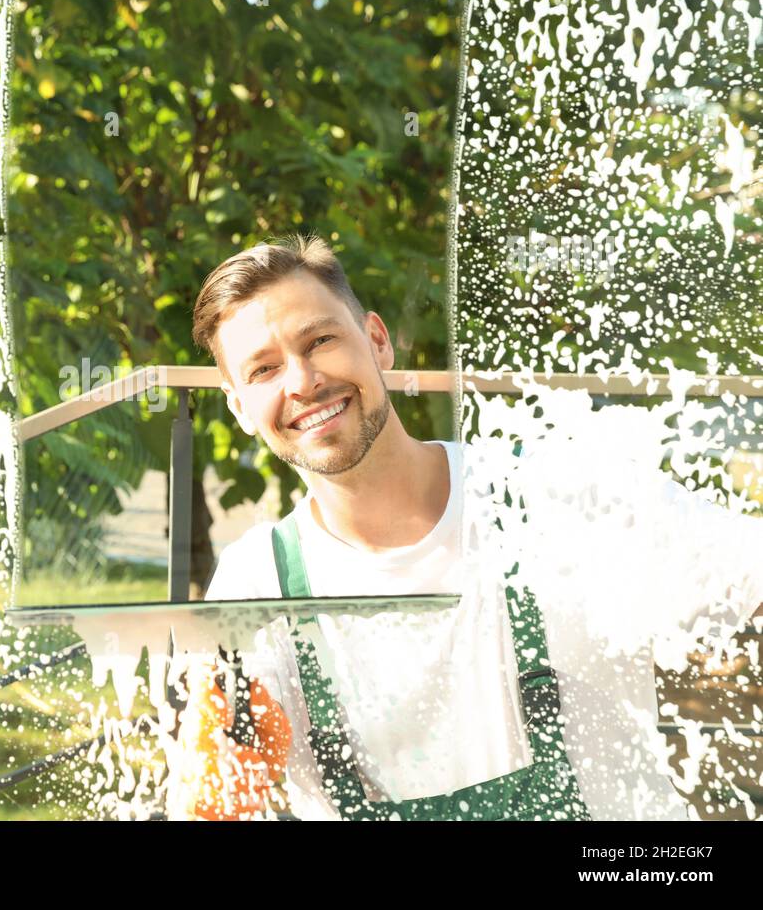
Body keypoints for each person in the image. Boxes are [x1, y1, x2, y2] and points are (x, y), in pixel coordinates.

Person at [171, 232, 763, 821]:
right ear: (239, 408)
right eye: (264, 370)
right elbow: (216, 797)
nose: (301, 382)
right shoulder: (260, 585)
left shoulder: (556, 495)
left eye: (320, 340)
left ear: (377, 342)